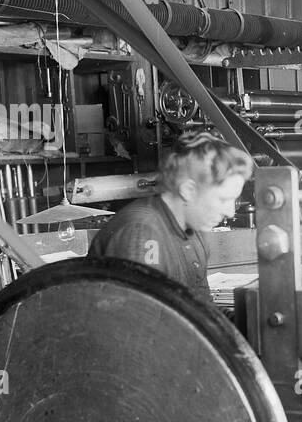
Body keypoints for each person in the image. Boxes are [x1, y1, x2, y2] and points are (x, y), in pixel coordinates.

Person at [89, 130, 252, 304]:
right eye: (224, 199)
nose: (230, 212)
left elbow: (202, 312)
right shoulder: (141, 232)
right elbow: (141, 324)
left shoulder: (193, 231)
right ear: (188, 191)